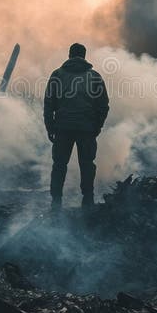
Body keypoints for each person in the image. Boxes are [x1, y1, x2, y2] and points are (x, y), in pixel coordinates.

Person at [43, 43, 109, 208]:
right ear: (84, 56)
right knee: (87, 165)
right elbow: (103, 105)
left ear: (69, 55)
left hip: (62, 128)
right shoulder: (94, 76)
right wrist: (97, 126)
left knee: (59, 165)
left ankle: (56, 202)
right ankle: (88, 200)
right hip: (86, 129)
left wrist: (50, 127)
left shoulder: (57, 75)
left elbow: (48, 104)